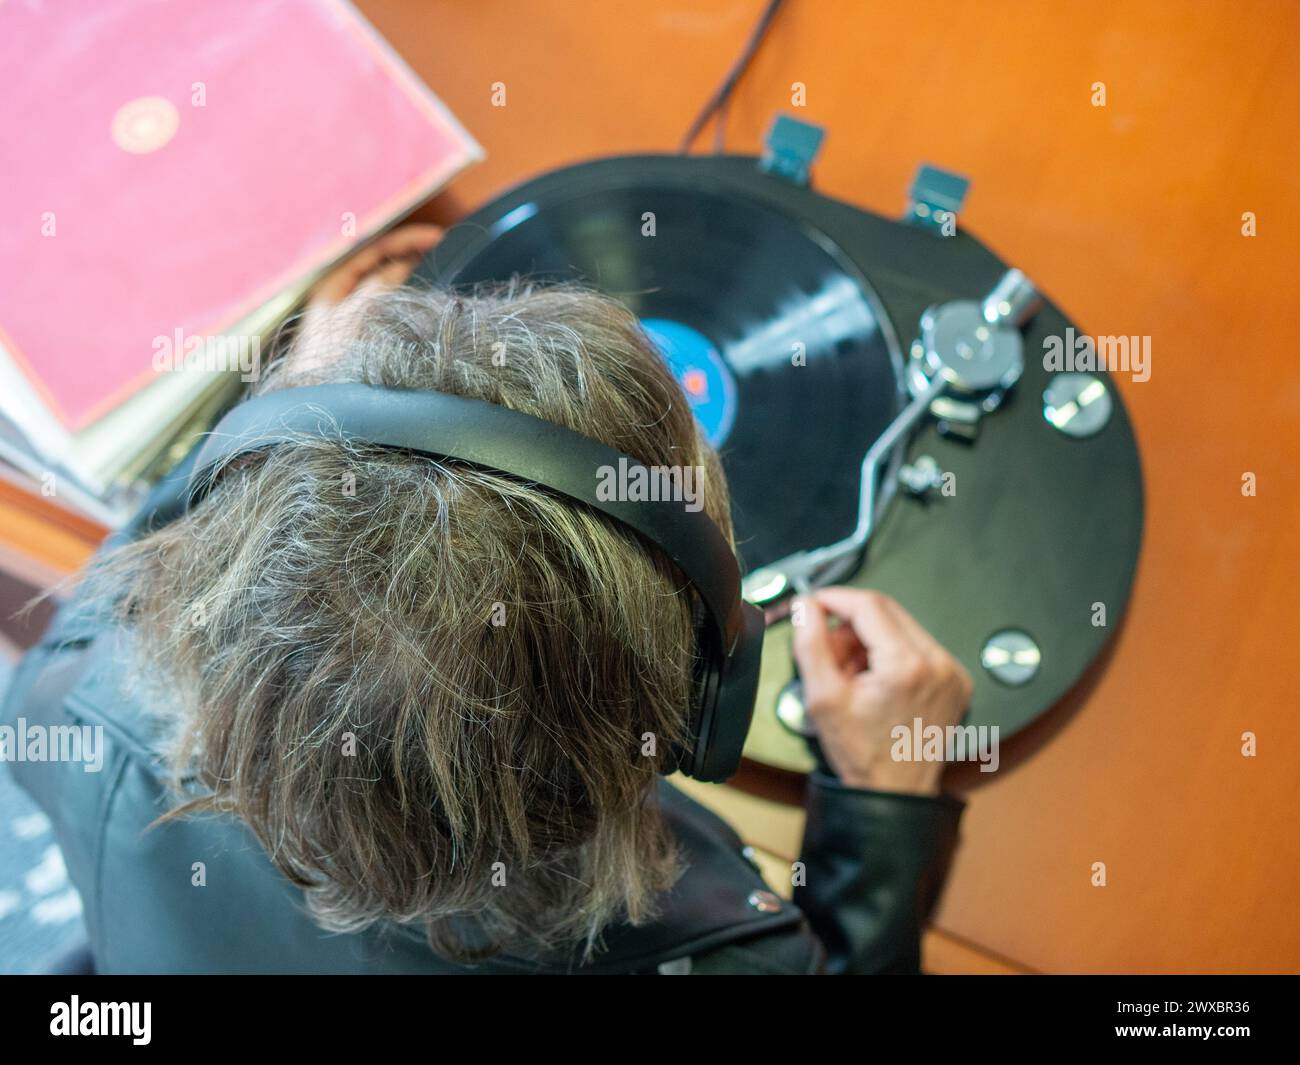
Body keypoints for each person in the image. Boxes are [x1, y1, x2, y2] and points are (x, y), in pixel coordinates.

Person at [4, 226, 971, 974]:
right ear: (699, 705)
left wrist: (306, 390)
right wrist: (883, 811)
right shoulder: (742, 962)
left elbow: (173, 542)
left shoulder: (73, 708)